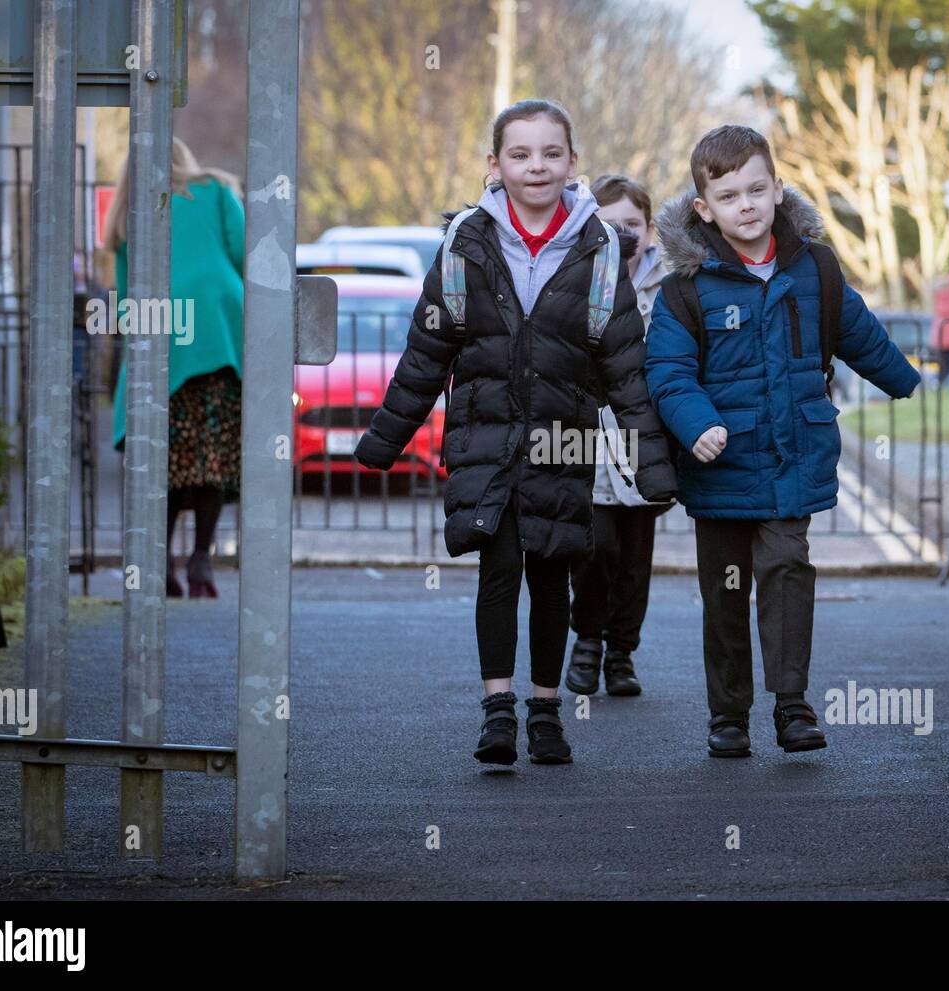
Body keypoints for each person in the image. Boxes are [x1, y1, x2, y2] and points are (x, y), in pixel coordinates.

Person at [354, 100, 677, 766]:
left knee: (552, 574)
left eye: (551, 153)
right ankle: (497, 710)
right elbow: (426, 351)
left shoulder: (598, 247)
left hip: (564, 439)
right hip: (485, 436)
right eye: (521, 154)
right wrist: (385, 437)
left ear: (572, 162)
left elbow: (624, 367)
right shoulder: (465, 242)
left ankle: (546, 709)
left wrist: (652, 464)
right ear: (494, 164)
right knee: (497, 570)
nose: (537, 167)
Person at [645, 125, 920, 758]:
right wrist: (696, 423)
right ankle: (729, 713)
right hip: (720, 465)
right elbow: (667, 372)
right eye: (730, 195)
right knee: (728, 588)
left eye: (757, 189)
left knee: (787, 569)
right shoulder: (686, 286)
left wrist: (903, 380)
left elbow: (855, 328)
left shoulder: (813, 265)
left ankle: (791, 704)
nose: (746, 205)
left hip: (793, 455)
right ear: (703, 207)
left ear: (776, 189)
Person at [106, 138, 245, 600]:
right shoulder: (216, 190)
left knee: (161, 461)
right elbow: (248, 257)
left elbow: (127, 307)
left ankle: (161, 561)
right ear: (184, 157)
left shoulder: (128, 216)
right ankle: (202, 558)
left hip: (164, 340)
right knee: (213, 456)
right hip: (218, 332)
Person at [564, 174, 674, 698]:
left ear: (649, 231)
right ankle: (587, 640)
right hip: (586, 440)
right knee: (595, 546)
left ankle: (622, 653)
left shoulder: (670, 291)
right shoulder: (575, 282)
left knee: (634, 557)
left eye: (631, 224)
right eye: (610, 225)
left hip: (646, 442)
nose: (623, 235)